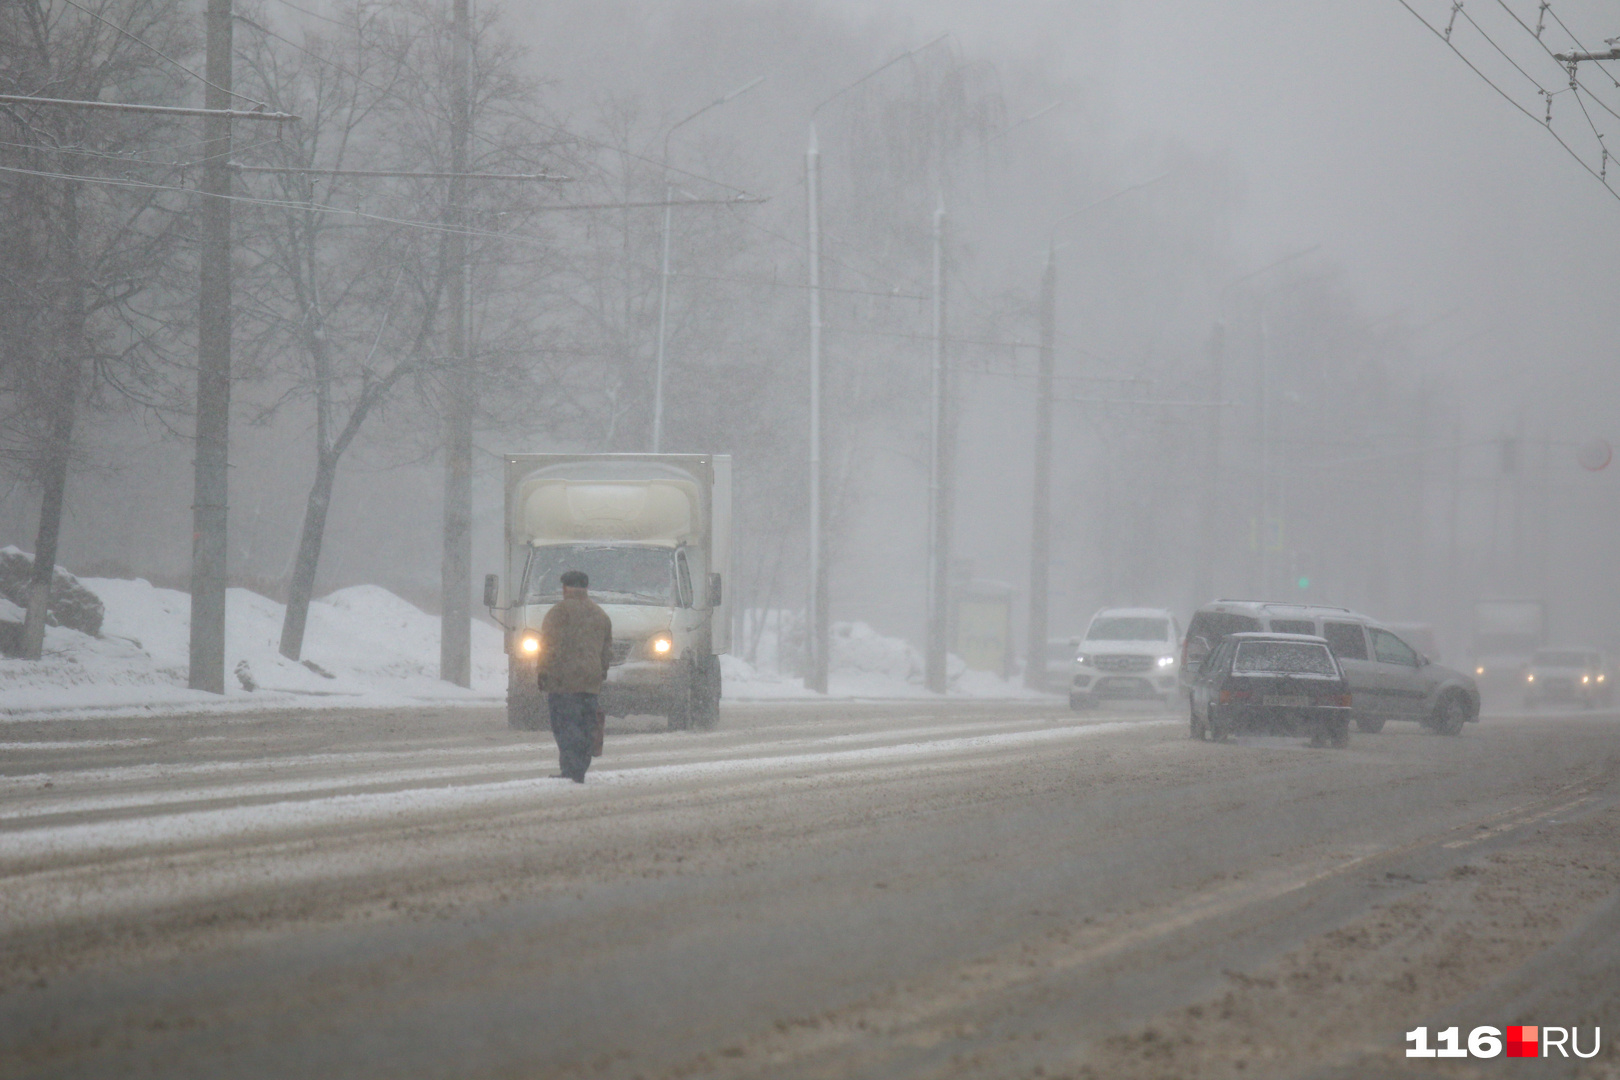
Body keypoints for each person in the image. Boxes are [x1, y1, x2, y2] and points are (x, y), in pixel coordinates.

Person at [536, 569, 613, 782]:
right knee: (586, 724)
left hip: (563, 681)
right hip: (590, 680)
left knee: (565, 725)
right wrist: (601, 672)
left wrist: (543, 672)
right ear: (586, 588)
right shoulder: (600, 614)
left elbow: (548, 646)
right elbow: (606, 650)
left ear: (564, 588)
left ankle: (571, 769)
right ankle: (580, 766)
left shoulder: (557, 613)